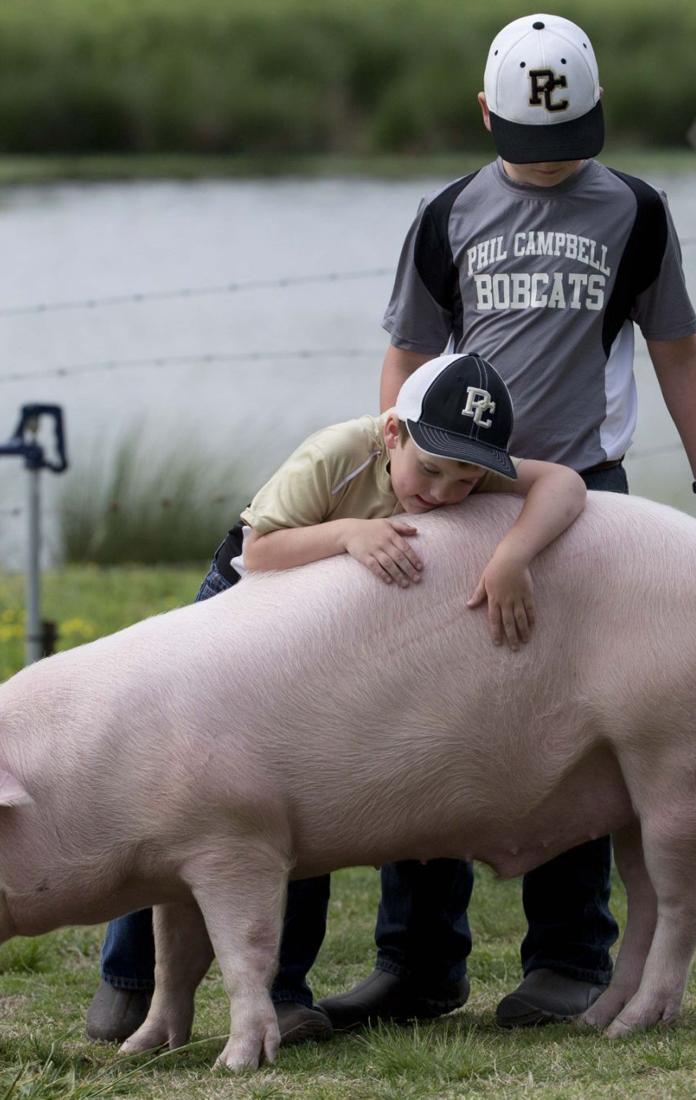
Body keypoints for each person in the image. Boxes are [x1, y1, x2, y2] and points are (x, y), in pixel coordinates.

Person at [314, 12, 696, 1033]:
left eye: (565, 145)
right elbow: (410, 352)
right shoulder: (447, 212)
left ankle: (569, 956)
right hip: (460, 491)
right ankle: (417, 962)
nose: (546, 167)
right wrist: (394, 471)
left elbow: (678, 348)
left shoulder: (635, 211)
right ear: (484, 115)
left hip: (585, 496)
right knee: (426, 720)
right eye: (526, 144)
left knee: (583, 725)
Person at [86, 350, 588, 1045]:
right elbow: (259, 551)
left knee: (294, 800)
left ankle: (283, 991)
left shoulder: (467, 476)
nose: (442, 493)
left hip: (330, 642)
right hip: (245, 604)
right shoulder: (336, 454)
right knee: (177, 796)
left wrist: (512, 555)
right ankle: (130, 980)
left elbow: (563, 482)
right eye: (430, 469)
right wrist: (350, 533)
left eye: (466, 479)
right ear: (391, 435)